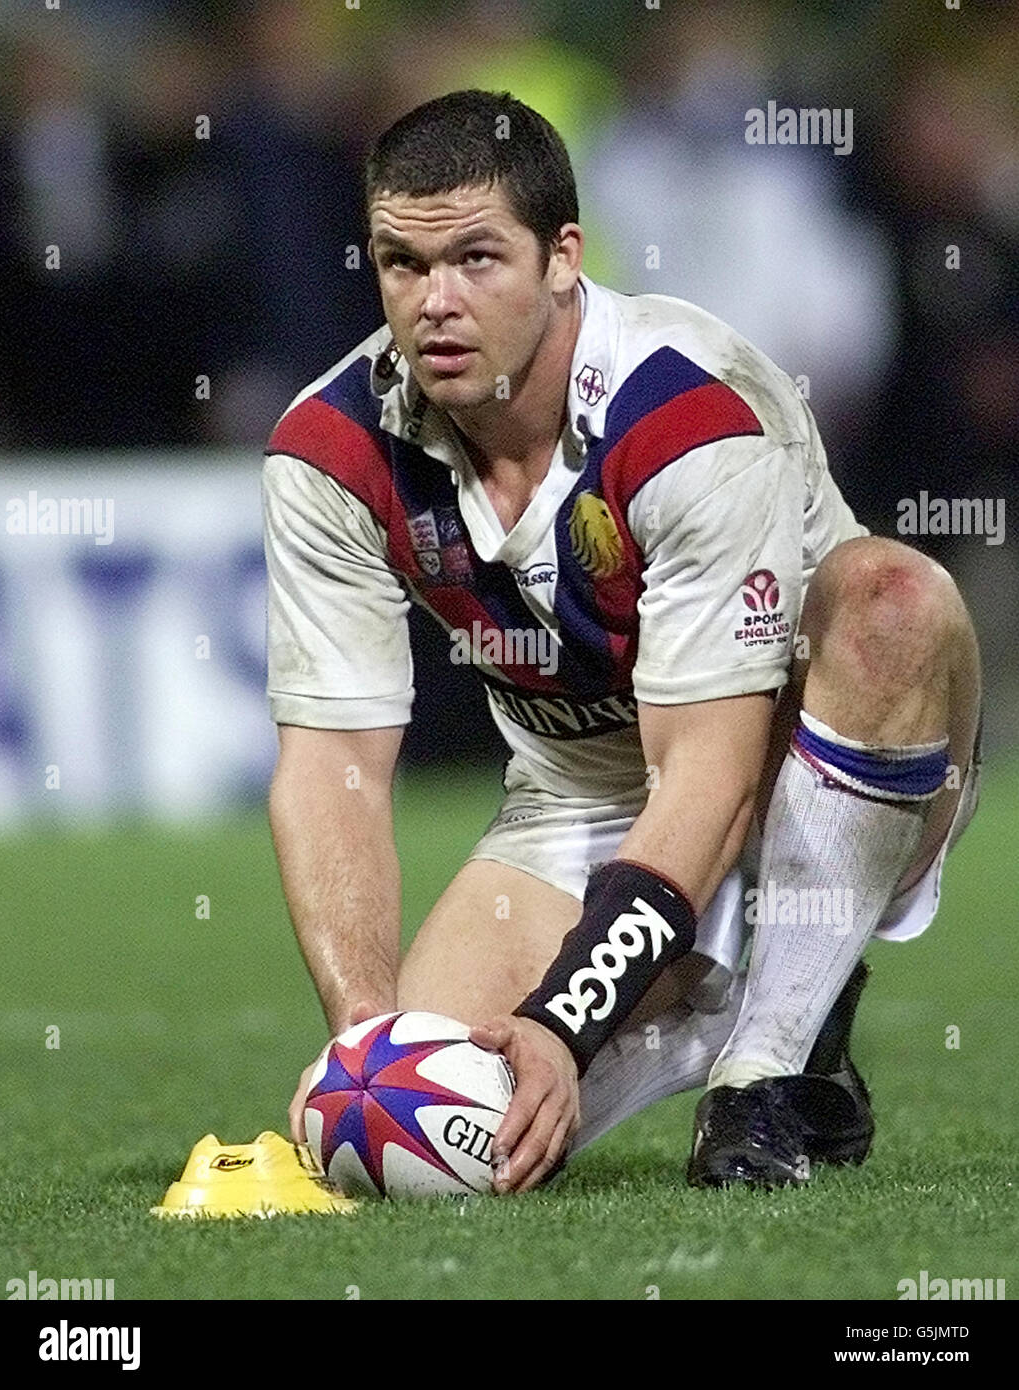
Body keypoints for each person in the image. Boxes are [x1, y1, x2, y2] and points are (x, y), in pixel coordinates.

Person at [263, 91, 981, 1194]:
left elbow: (713, 769)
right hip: (581, 797)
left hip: (805, 757)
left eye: (475, 259)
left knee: (894, 595)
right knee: (423, 1132)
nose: (434, 303)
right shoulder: (329, 449)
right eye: (402, 265)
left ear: (563, 257)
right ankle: (761, 994)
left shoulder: (686, 412)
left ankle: (763, 1064)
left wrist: (563, 1019)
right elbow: (332, 764)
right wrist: (369, 1036)